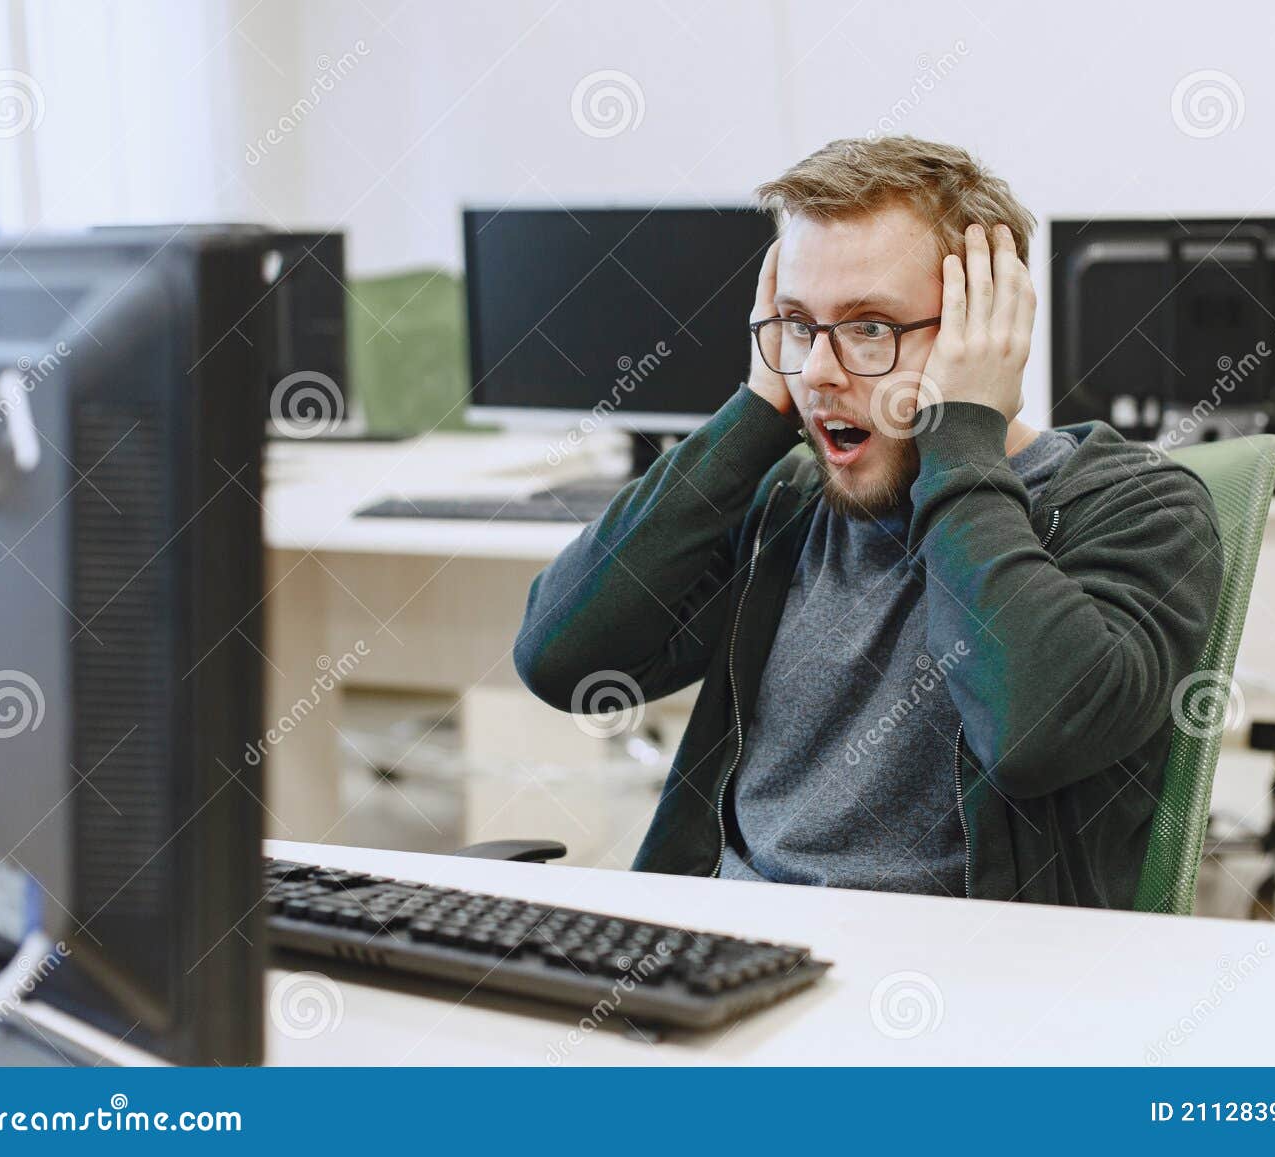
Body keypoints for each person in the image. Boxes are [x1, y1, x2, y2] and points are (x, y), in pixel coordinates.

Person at [515, 136, 1222, 907]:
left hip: (953, 991)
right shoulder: (784, 508)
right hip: (717, 956)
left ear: (979, 333)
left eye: (870, 327)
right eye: (796, 323)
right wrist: (755, 415)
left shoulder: (1139, 509)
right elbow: (561, 659)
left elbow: (1032, 732)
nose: (819, 370)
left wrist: (959, 431)